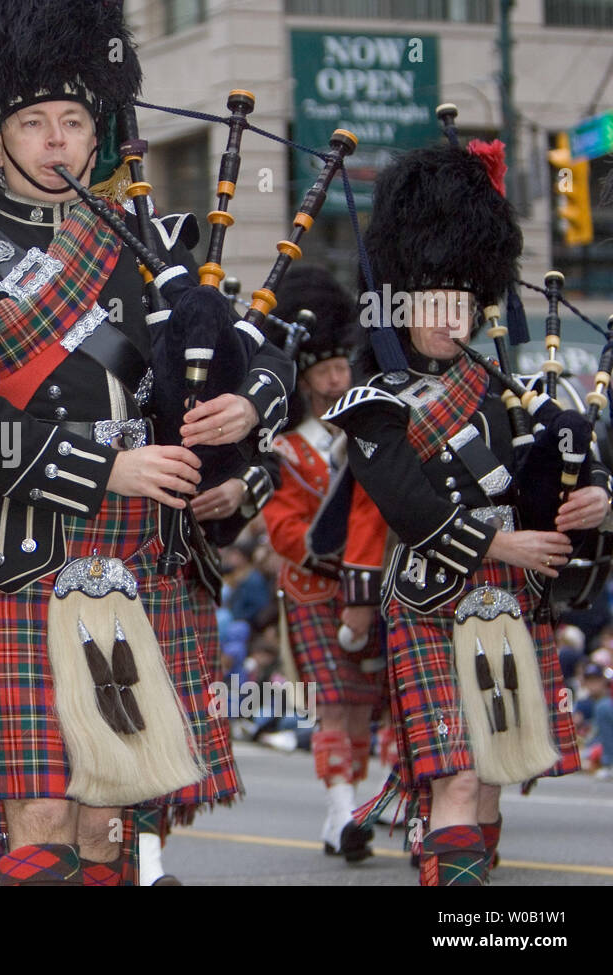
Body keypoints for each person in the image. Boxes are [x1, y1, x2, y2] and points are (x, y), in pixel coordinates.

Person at [0, 0, 292, 885]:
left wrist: (248, 413)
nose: (57, 141)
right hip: (18, 555)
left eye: (73, 121)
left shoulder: (153, 250)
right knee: (40, 805)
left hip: (136, 553)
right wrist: (112, 465)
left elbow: (259, 353)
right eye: (33, 123)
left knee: (108, 815)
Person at [326, 139, 608, 885]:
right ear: (398, 303)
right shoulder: (375, 406)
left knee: (487, 774)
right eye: (433, 304)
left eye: (463, 303)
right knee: (455, 775)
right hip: (429, 597)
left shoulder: (516, 397)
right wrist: (504, 548)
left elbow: (580, 474)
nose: (451, 321)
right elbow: (410, 509)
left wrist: (600, 499)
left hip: (512, 604)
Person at [262, 263, 389, 861]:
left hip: (367, 587)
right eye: (327, 370)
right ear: (306, 380)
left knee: (364, 702)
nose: (339, 379)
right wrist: (320, 550)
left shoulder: (367, 431)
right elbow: (281, 526)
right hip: (313, 590)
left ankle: (348, 809)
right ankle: (341, 811)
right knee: (334, 700)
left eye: (344, 367)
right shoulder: (286, 447)